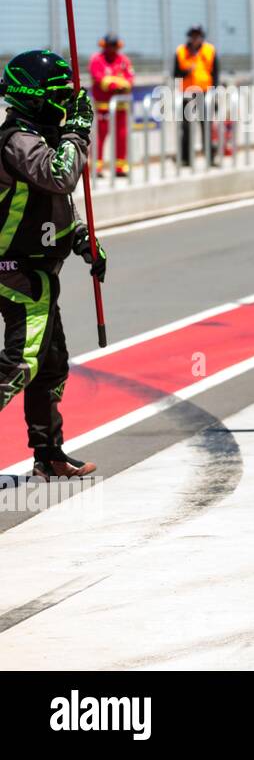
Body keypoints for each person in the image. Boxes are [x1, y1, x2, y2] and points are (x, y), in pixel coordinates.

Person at [0, 51, 108, 479]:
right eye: (59, 94)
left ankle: (48, 455)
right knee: (20, 363)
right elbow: (60, 175)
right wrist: (78, 133)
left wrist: (80, 236)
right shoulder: (17, 140)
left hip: (40, 268)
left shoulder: (41, 135)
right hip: (14, 270)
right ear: (35, 97)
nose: (67, 102)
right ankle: (48, 454)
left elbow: (54, 202)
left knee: (51, 365)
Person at [88, 33, 133, 177]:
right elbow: (100, 80)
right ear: (104, 45)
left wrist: (113, 82)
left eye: (114, 46)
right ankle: (97, 168)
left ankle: (120, 168)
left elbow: (129, 80)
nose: (112, 49)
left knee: (121, 137)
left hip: (120, 107)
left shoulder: (123, 60)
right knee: (99, 138)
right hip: (103, 107)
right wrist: (116, 83)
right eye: (109, 45)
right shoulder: (97, 60)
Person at [173, 26, 218, 166]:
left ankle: (210, 158)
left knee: (207, 125)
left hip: (205, 93)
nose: (195, 39)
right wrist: (187, 71)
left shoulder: (210, 50)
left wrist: (214, 92)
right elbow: (175, 74)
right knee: (185, 127)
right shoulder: (181, 51)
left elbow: (215, 73)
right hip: (187, 94)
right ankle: (185, 158)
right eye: (192, 36)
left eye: (198, 36)